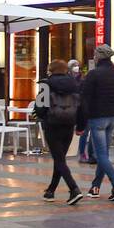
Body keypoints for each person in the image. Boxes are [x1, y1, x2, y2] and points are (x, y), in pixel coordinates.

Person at [78, 44, 114, 201]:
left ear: (98, 57)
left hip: (97, 118)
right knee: (104, 154)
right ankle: (95, 187)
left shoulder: (93, 75)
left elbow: (84, 100)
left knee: (99, 154)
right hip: (112, 118)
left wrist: (82, 122)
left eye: (95, 55)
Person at [36, 60, 85, 205]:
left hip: (52, 125)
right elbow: (82, 107)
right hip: (69, 125)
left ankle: (74, 188)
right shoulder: (75, 84)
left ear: (51, 70)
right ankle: (51, 190)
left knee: (59, 159)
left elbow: (40, 108)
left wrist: (43, 116)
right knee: (60, 159)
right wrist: (80, 126)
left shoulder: (46, 84)